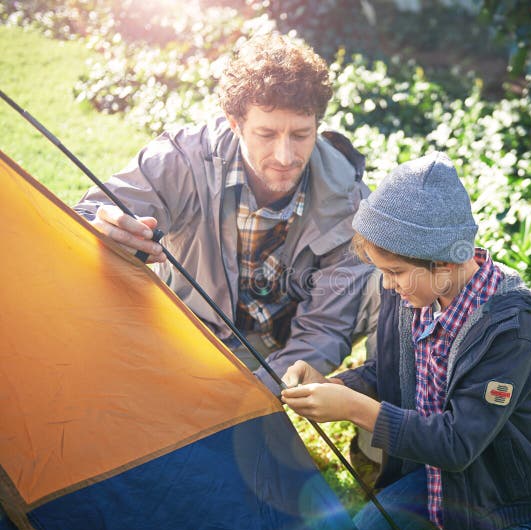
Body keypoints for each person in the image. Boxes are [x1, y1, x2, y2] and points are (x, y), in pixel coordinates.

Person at [74, 33, 379, 391]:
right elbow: (92, 211)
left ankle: (384, 440)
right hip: (196, 332)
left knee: (392, 284)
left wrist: (262, 394)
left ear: (317, 127)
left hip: (285, 344)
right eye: (266, 134)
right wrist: (97, 226)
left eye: (300, 134)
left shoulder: (348, 198)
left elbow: (325, 327)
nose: (285, 156)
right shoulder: (184, 158)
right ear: (235, 125)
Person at [281, 152, 531, 530]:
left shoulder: (508, 328)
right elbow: (388, 372)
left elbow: (457, 443)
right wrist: (334, 385)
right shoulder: (413, 293)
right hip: (434, 485)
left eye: (394, 272)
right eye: (382, 272)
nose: (386, 284)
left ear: (444, 263)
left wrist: (353, 408)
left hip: (497, 498)